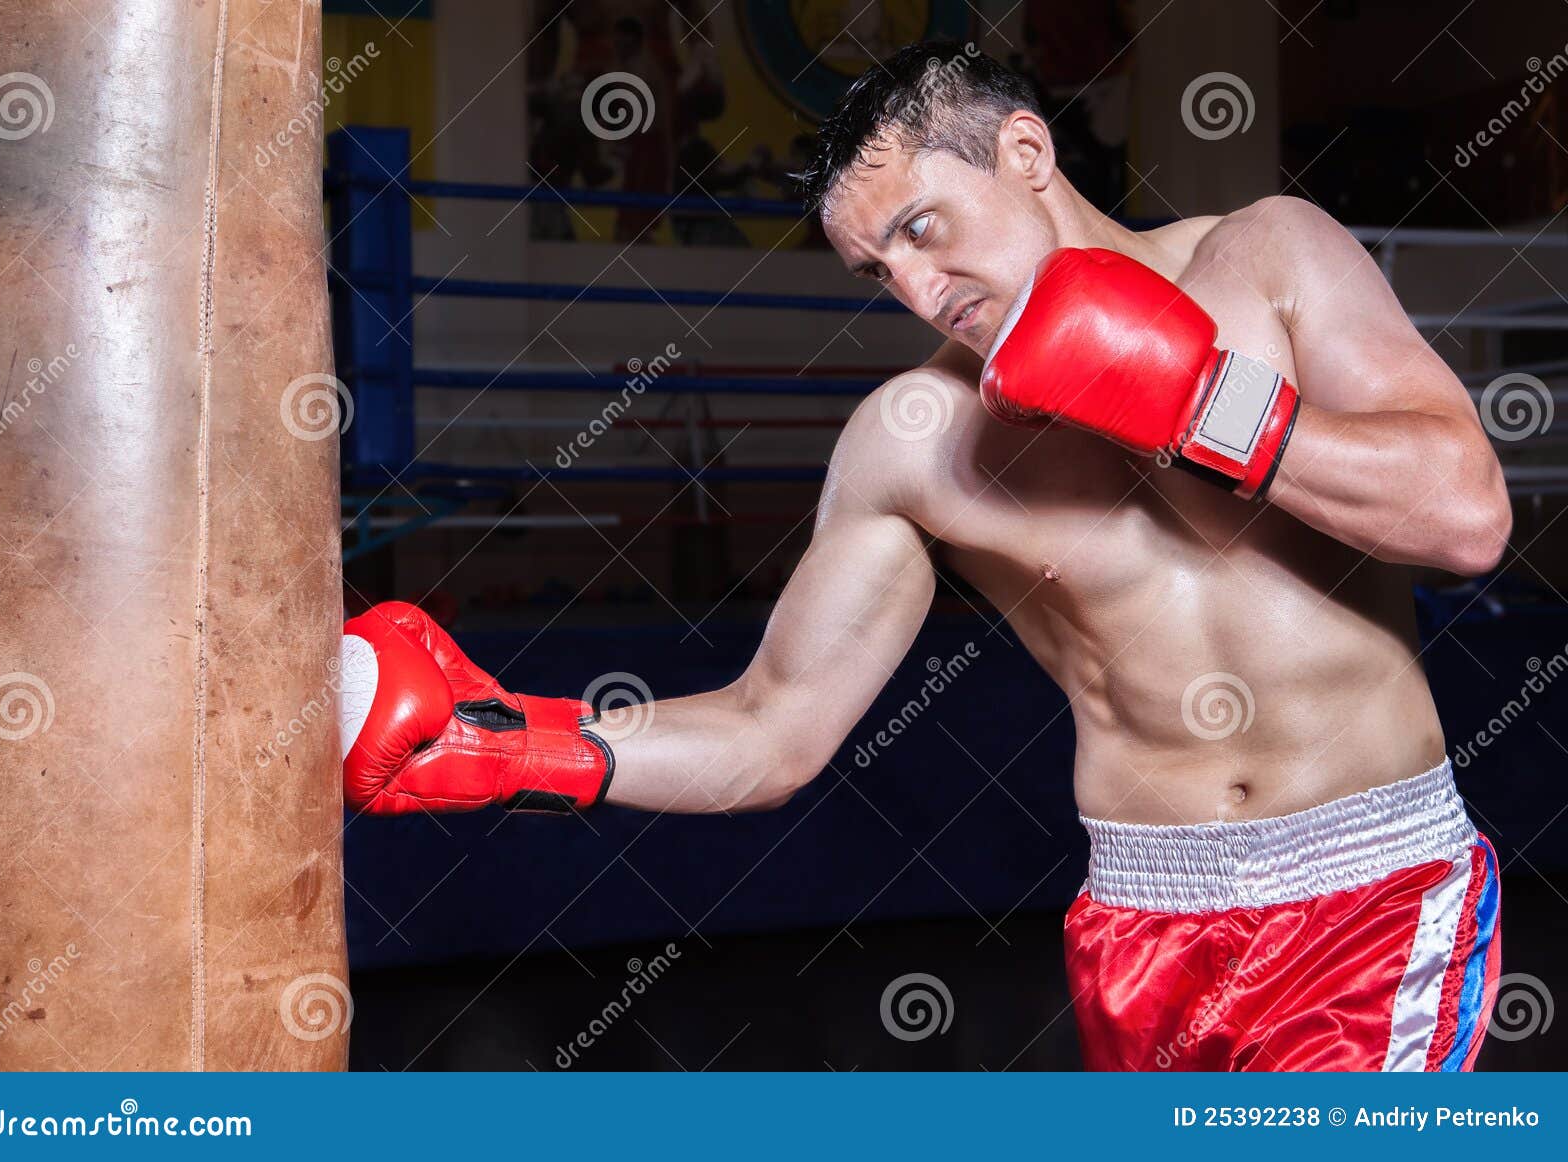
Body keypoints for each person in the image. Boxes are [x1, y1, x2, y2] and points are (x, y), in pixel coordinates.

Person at [338, 42, 1509, 1071]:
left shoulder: (1266, 259)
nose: (913, 290)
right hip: (1140, 927)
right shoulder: (913, 441)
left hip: (1371, 897)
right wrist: (517, 746)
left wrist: (1189, 396)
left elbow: (1465, 516)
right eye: (875, 271)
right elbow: (768, 730)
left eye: (918, 229)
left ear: (1025, 150)